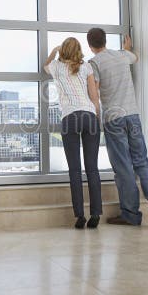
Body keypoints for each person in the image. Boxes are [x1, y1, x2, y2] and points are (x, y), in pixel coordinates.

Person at [87, 28, 148, 227]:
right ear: (105, 41)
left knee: (123, 166)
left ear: (90, 45)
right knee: (141, 161)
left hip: (114, 119)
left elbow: (94, 92)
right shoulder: (122, 56)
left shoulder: (94, 63)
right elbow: (136, 57)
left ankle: (131, 215)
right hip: (133, 116)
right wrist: (127, 48)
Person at [44, 37, 103, 229]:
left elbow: (45, 65)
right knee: (92, 169)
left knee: (75, 170)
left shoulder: (56, 67)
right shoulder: (86, 67)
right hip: (89, 116)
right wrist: (97, 119)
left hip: (70, 118)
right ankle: (96, 213)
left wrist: (54, 50)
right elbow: (95, 97)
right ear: (79, 50)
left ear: (63, 51)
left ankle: (80, 216)